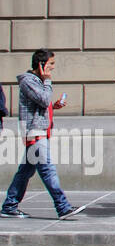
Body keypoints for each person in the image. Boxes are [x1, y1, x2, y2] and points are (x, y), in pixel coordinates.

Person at [1, 49, 83, 220]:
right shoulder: (28, 81)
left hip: (38, 132)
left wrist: (54, 106)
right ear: (41, 64)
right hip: (34, 133)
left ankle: (10, 205)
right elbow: (43, 99)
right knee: (48, 171)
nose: (52, 68)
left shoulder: (36, 81)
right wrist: (47, 82)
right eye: (51, 64)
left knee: (24, 172)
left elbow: (42, 104)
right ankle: (62, 207)